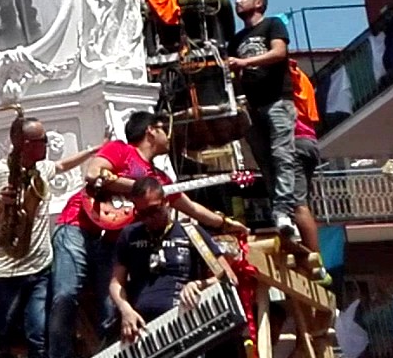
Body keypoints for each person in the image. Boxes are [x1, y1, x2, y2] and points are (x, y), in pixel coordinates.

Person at [48, 112, 246, 358]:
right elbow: (94, 174)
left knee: (110, 313)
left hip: (112, 242)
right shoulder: (121, 150)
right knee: (65, 294)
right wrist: (143, 189)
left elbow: (193, 209)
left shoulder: (161, 180)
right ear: (151, 130)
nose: (169, 136)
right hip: (78, 224)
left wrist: (226, 223)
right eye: (165, 129)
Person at [0, 116, 94, 358]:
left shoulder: (40, 168)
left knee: (38, 336)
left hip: (38, 268)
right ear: (25, 144)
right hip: (5, 271)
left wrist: (93, 151)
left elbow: (61, 166)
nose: (47, 144)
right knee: (2, 339)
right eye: (43, 140)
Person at [109, 177, 232, 344]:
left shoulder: (191, 233)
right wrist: (125, 309)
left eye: (154, 210)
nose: (149, 218)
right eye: (142, 213)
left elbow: (227, 277)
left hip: (183, 324)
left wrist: (198, 285)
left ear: (166, 202)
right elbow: (117, 283)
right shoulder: (129, 235)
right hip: (141, 328)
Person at [227, 0, 299, 239]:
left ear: (259, 3)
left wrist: (244, 62)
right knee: (265, 162)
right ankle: (280, 213)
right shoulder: (236, 40)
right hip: (253, 107)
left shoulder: (272, 25)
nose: (238, 1)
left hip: (278, 101)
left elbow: (279, 52)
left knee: (282, 156)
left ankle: (284, 211)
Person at [292, 107, 331, 285]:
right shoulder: (302, 81)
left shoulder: (288, 79)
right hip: (308, 140)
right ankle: (313, 261)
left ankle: (316, 266)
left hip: (295, 141)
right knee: (302, 204)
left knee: (298, 206)